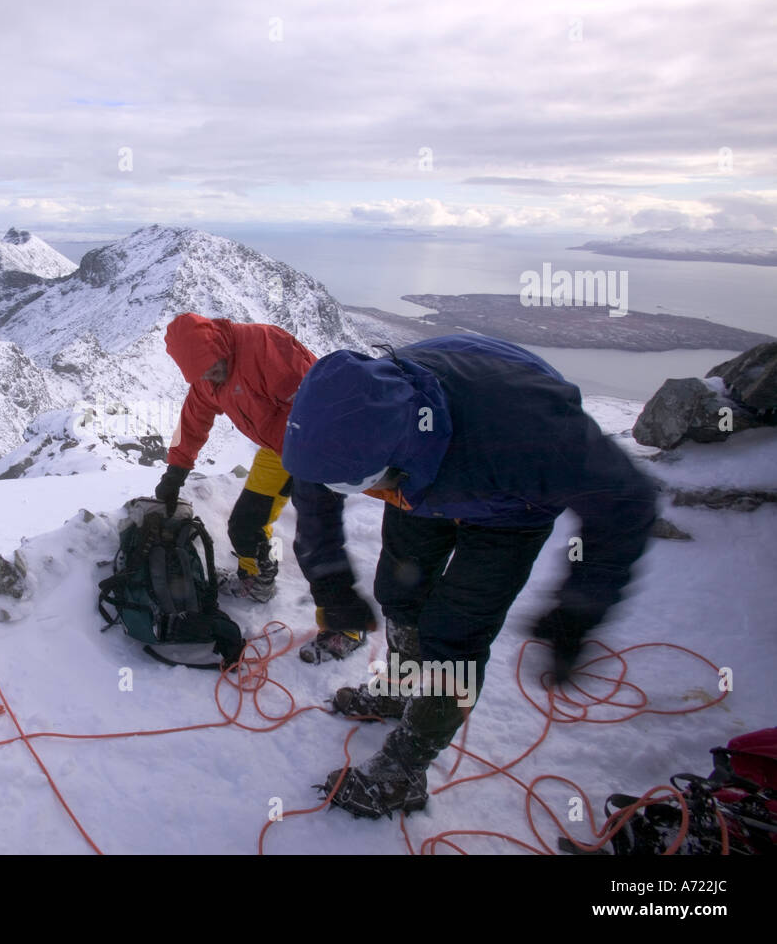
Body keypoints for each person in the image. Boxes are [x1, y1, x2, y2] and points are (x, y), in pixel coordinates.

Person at [281, 334, 658, 819]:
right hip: (423, 484)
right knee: (400, 591)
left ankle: (405, 767)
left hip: (509, 506)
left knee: (453, 633)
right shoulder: (338, 418)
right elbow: (315, 484)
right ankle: (399, 687)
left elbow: (627, 502)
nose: (346, 491)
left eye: (360, 484)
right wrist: (330, 578)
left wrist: (579, 610)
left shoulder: (530, 435)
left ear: (392, 456)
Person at [155, 312, 380, 663]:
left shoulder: (264, 346)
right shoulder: (207, 378)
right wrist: (176, 471)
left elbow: (317, 400)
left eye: (213, 368)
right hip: (277, 450)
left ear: (219, 345)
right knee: (244, 523)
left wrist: (316, 463)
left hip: (317, 444)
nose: (210, 377)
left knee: (316, 542)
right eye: (201, 374)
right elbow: (193, 421)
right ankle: (258, 578)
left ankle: (347, 626)